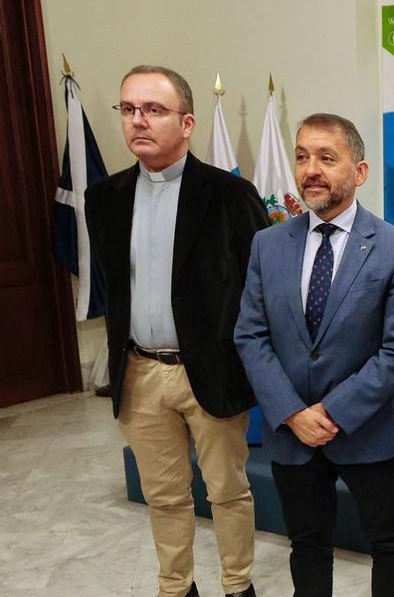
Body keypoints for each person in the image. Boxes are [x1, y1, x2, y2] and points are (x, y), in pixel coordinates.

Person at [84, 65, 267, 597]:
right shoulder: (105, 197)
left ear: (186, 123)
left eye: (154, 110)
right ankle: (175, 587)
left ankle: (238, 586)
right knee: (163, 495)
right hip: (140, 372)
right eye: (129, 109)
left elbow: (259, 287)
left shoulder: (230, 194)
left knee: (228, 491)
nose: (138, 120)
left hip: (207, 371)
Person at [234, 113, 394, 597]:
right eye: (301, 156)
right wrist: (293, 412)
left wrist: (332, 411)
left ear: (359, 172)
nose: (310, 169)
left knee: (389, 542)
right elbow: (251, 336)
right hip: (291, 432)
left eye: (326, 158)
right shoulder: (267, 244)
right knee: (308, 543)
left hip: (367, 430)